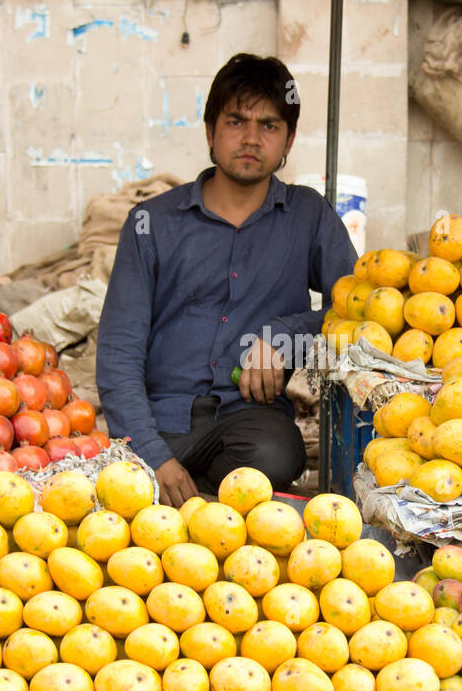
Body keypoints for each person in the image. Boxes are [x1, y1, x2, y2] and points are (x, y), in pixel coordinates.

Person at [96, 53, 359, 507]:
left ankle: (205, 500)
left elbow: (359, 310)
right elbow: (118, 354)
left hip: (249, 422)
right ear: (210, 132)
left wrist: (284, 333)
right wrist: (154, 457)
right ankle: (196, 493)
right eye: (236, 122)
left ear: (289, 140)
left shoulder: (308, 216)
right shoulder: (151, 223)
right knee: (129, 482)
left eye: (270, 126)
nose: (251, 139)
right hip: (162, 419)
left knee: (277, 455)